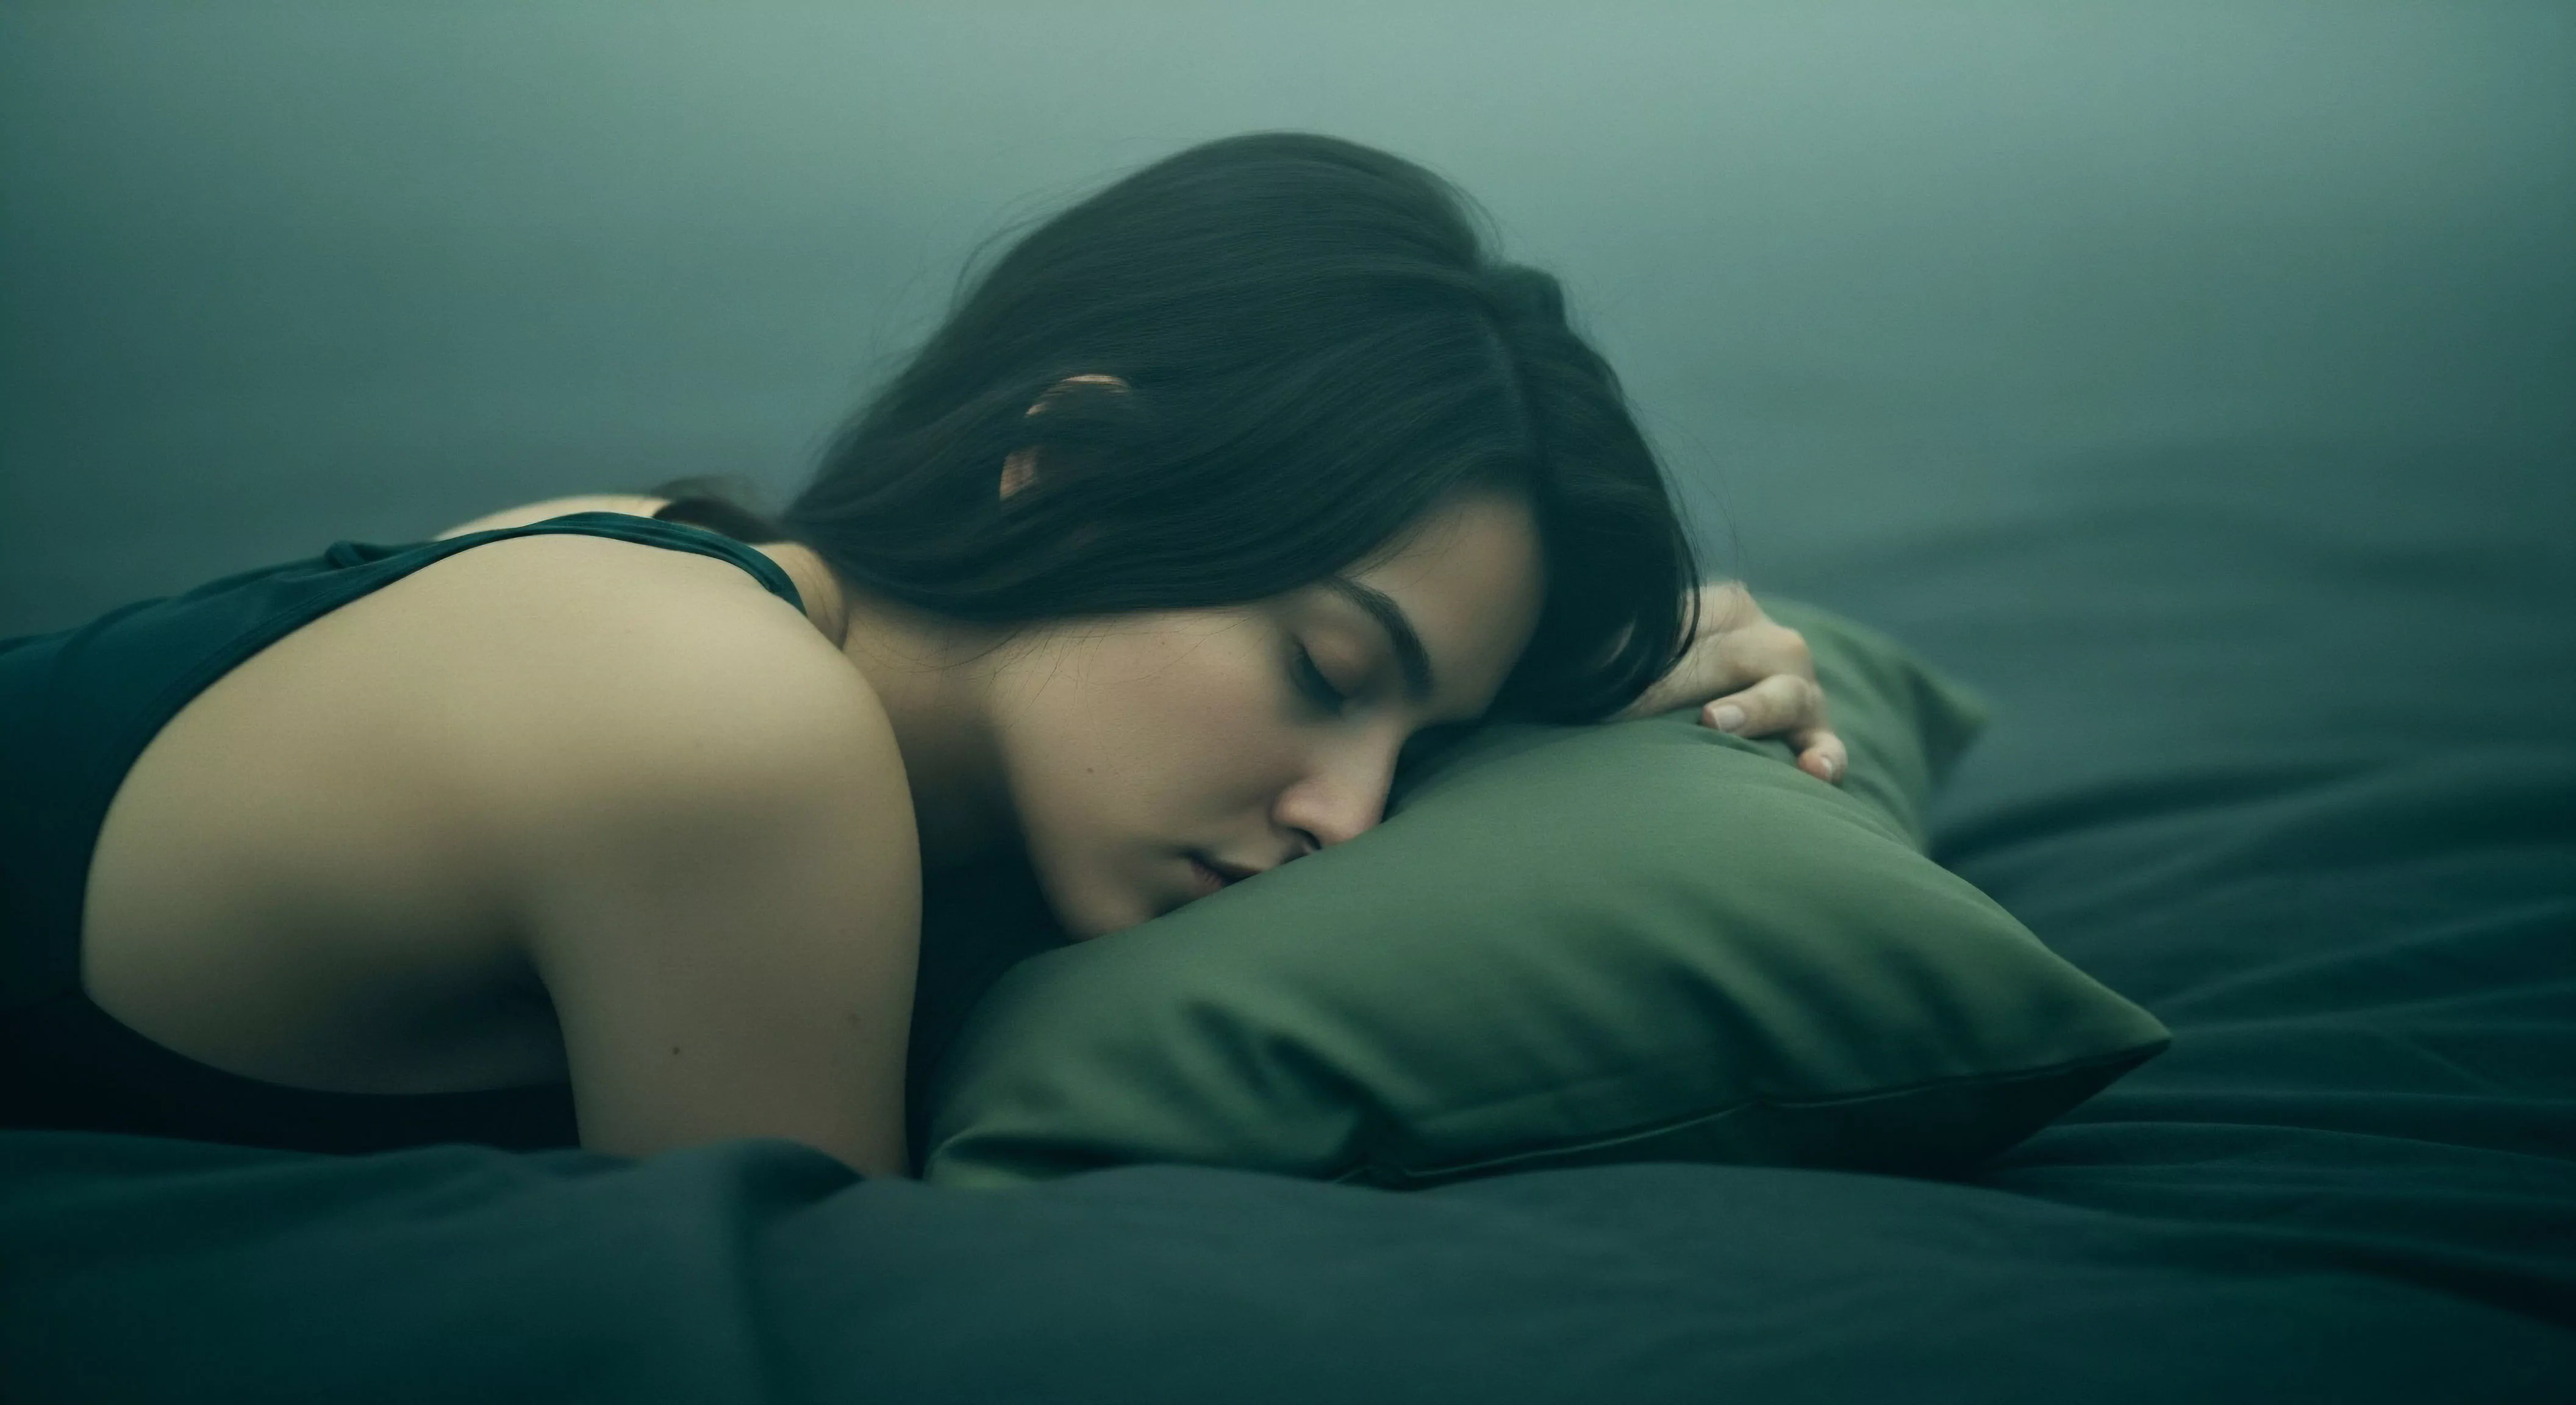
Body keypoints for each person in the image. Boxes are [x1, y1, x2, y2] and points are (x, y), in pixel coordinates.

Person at [0, 132, 1844, 1179]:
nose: (1347, 821)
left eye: (1420, 748)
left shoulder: (711, 580)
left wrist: (1630, 707)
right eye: (1322, 671)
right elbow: (838, 1311)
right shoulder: (725, 721)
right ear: (1071, 467)